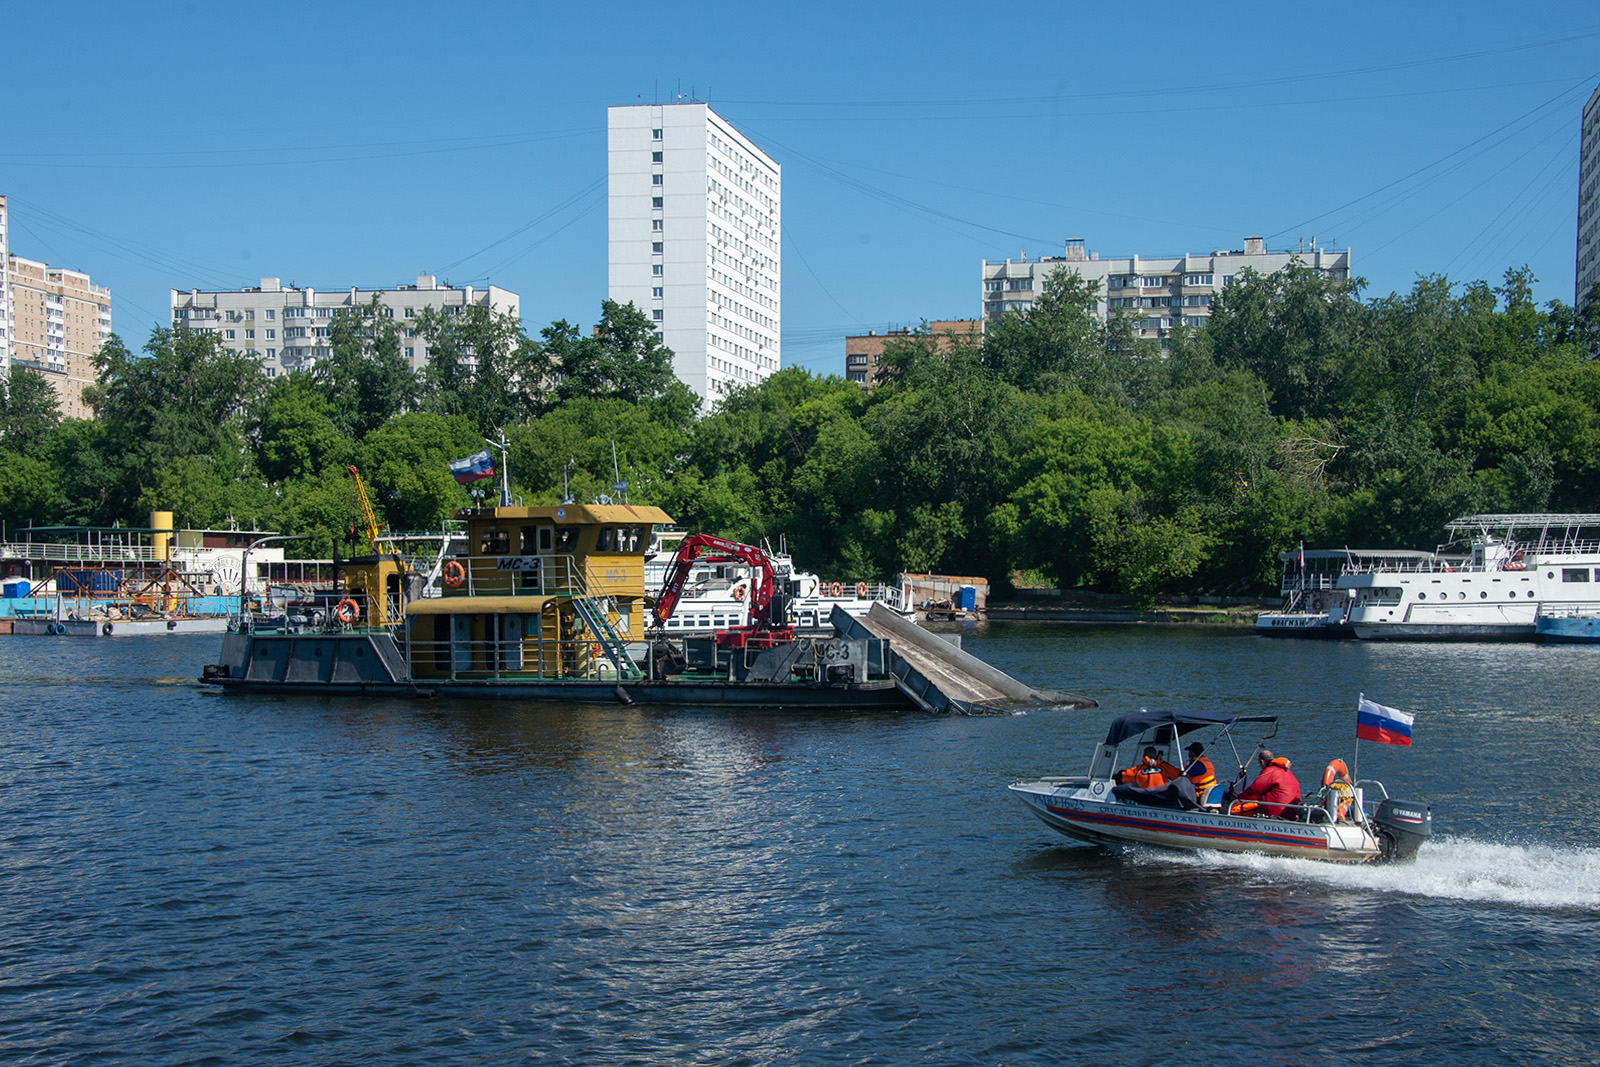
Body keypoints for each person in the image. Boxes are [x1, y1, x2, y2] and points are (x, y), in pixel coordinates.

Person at [1227, 749, 1302, 818]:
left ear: (1262, 762)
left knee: (1239, 810)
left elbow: (1253, 791)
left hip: (1276, 813)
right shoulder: (1287, 772)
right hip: (1292, 811)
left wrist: (1236, 797)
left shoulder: (1270, 772)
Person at [1116, 746, 1182, 789]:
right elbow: (1179, 776)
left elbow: (1120, 777)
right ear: (1156, 756)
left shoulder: (1137, 769)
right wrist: (1162, 762)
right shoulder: (1165, 767)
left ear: (1144, 756)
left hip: (1146, 801)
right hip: (1162, 801)